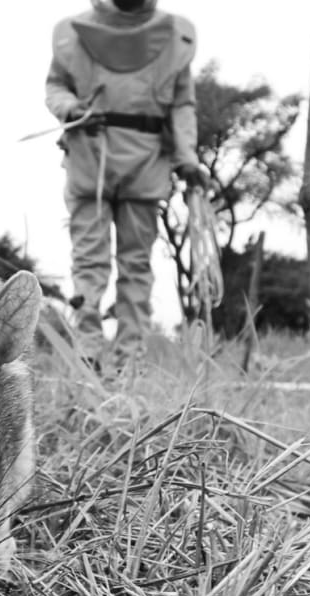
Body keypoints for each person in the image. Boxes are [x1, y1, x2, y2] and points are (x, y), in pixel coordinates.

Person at [46, 0, 207, 370]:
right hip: (91, 161)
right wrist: (71, 108)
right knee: (90, 261)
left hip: (145, 166)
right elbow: (56, 86)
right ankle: (87, 352)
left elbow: (182, 105)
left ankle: (128, 360)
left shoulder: (175, 34)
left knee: (135, 265)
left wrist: (187, 159)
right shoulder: (71, 31)